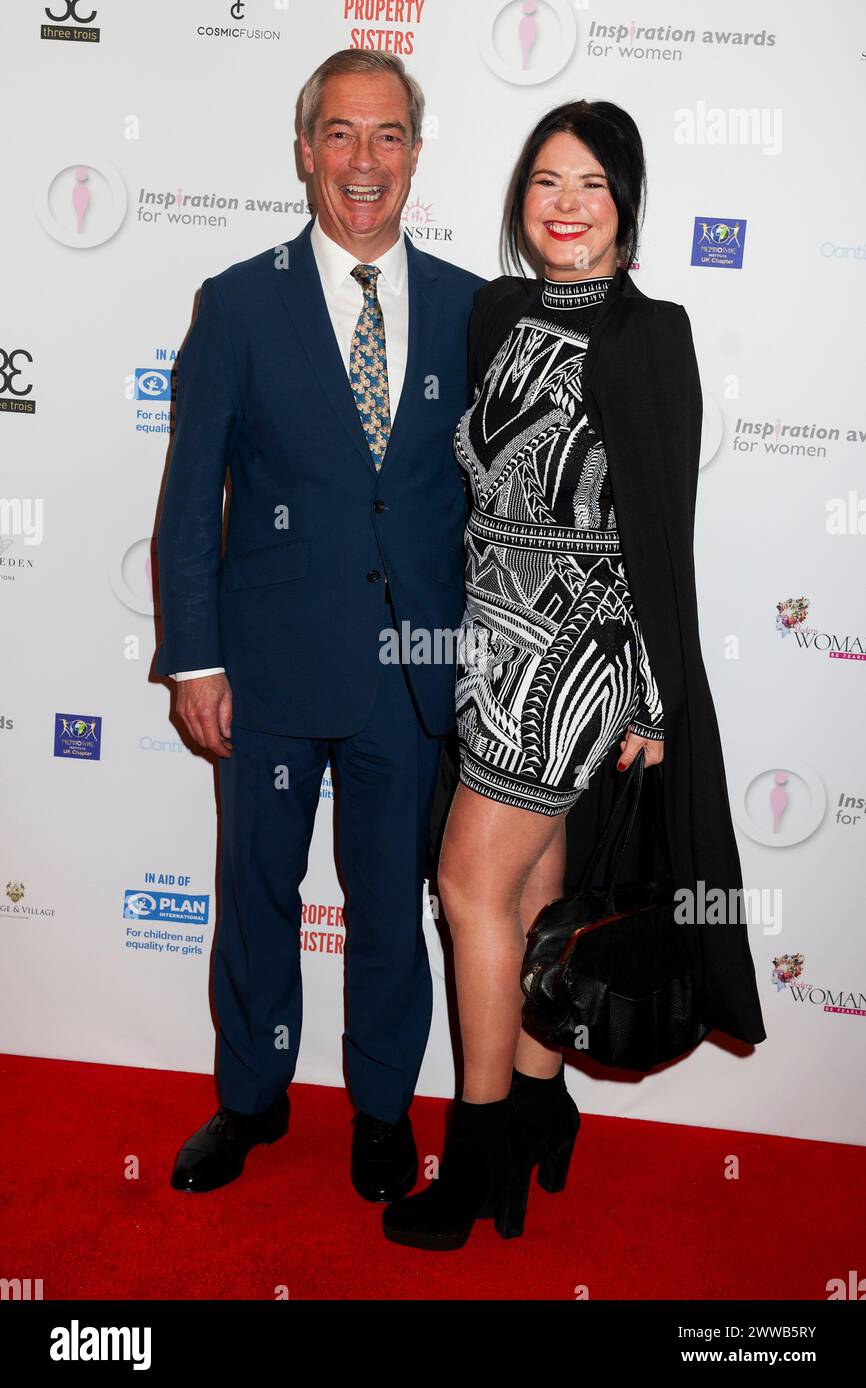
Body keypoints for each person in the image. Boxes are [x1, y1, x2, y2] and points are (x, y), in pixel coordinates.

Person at [382, 100, 766, 1251]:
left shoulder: (652, 334)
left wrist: (650, 692)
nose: (563, 205)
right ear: (519, 197)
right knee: (534, 891)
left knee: (467, 889)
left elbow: (663, 523)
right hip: (488, 630)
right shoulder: (494, 310)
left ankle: (483, 1149)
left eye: (590, 185)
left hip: (577, 645)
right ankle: (544, 1105)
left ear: (626, 206)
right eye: (545, 181)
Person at [154, 49, 484, 1199]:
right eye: (338, 135)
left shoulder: (467, 308)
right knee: (256, 891)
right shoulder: (237, 302)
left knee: (392, 901)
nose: (362, 161)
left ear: (413, 152)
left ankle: (384, 1107)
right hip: (268, 666)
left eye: (386, 135)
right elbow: (193, 498)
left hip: (413, 670)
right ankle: (249, 1099)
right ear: (303, 151)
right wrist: (194, 655)